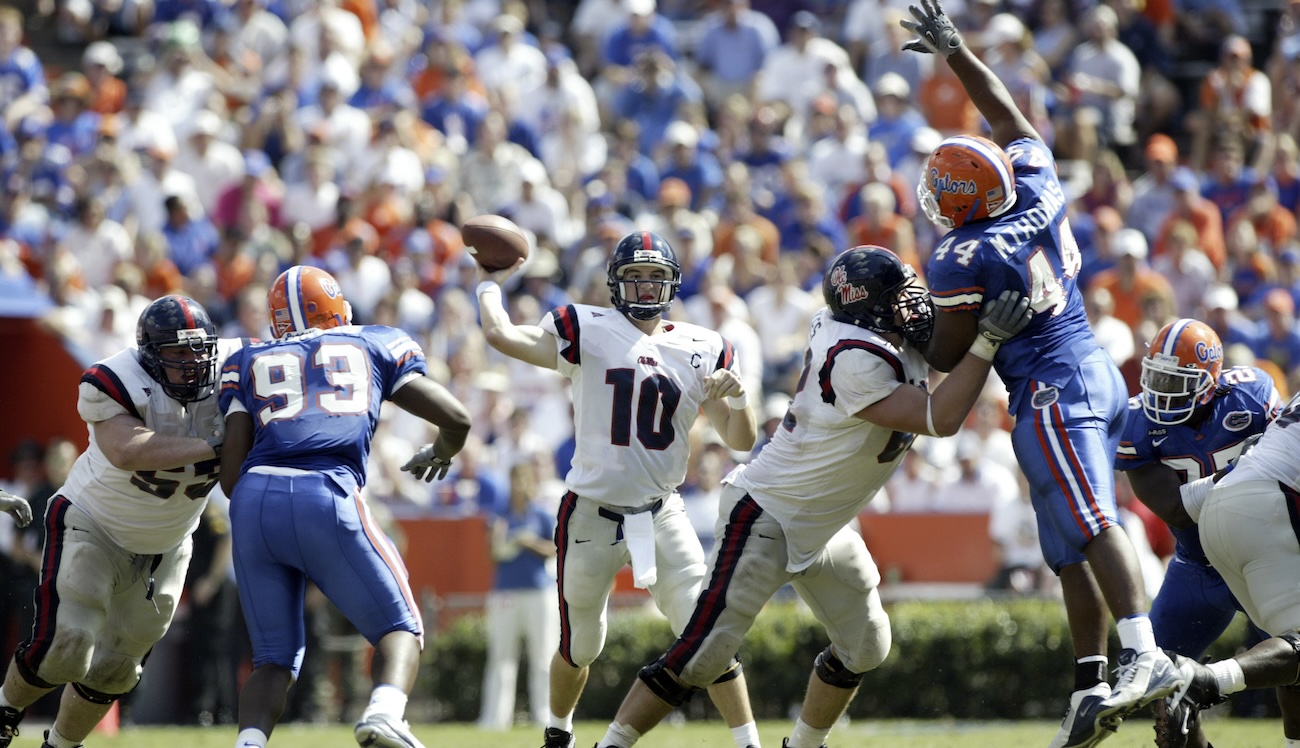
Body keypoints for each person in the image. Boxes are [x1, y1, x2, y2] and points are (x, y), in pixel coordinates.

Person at [591, 246, 1033, 748]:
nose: (914, 308)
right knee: (703, 655)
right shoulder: (853, 358)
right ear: (869, 311)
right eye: (900, 299)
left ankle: (802, 746)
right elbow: (942, 419)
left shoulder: (864, 330)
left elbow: (935, 348)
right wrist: (988, 342)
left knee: (866, 645)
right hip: (768, 513)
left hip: (821, 523)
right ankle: (612, 743)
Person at [901, 2, 1185, 746]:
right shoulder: (1034, 179)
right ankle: (1092, 684)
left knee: (1091, 522)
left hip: (1050, 382)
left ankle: (1144, 654)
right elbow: (1011, 118)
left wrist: (899, 316)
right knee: (1066, 545)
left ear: (962, 205)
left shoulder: (962, 257)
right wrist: (958, 51)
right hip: (1090, 362)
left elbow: (943, 355)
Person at [475, 231, 762, 748]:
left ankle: (750, 743)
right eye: (634, 276)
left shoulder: (703, 346)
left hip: (661, 512)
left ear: (672, 282)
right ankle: (558, 733)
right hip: (591, 513)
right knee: (582, 644)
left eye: (655, 276)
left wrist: (739, 399)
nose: (646, 287)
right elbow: (501, 337)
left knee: (709, 634)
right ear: (615, 283)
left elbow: (741, 440)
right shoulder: (586, 326)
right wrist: (489, 285)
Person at [216, 265, 472, 748]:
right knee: (401, 628)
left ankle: (249, 743)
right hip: (326, 491)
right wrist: (443, 451)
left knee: (273, 658)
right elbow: (456, 416)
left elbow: (231, 475)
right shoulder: (371, 342)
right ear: (336, 308)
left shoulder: (248, 357)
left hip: (252, 503)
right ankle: (385, 713)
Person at [0, 295, 240, 748]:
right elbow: (129, 450)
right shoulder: (115, 378)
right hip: (95, 521)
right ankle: (5, 708)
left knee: (119, 668)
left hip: (169, 540)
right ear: (149, 355)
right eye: (175, 353)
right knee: (67, 647)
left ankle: (63, 745)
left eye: (197, 351)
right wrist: (219, 445)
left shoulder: (235, 364)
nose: (191, 364)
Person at [1115, 319, 1287, 747]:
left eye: (1175, 382)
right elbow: (1174, 508)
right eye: (1156, 377)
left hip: (1263, 555)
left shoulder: (1253, 393)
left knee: (1292, 661)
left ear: (1209, 382)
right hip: (1200, 566)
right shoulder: (1137, 423)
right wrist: (1244, 472)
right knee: (1161, 677)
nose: (1161, 391)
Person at [1156, 382, 1300, 747]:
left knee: (1292, 654)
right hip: (1265, 505)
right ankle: (1204, 680)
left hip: (1220, 505)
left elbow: (1180, 504)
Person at [477, 458, 559, 731]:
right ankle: (494, 720)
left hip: (539, 590)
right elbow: (492, 554)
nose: (519, 485)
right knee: (501, 657)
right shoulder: (499, 515)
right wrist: (501, 538)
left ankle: (546, 717)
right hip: (506, 591)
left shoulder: (542, 513)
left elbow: (556, 548)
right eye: (515, 479)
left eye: (524, 479)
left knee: (543, 656)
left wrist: (530, 542)